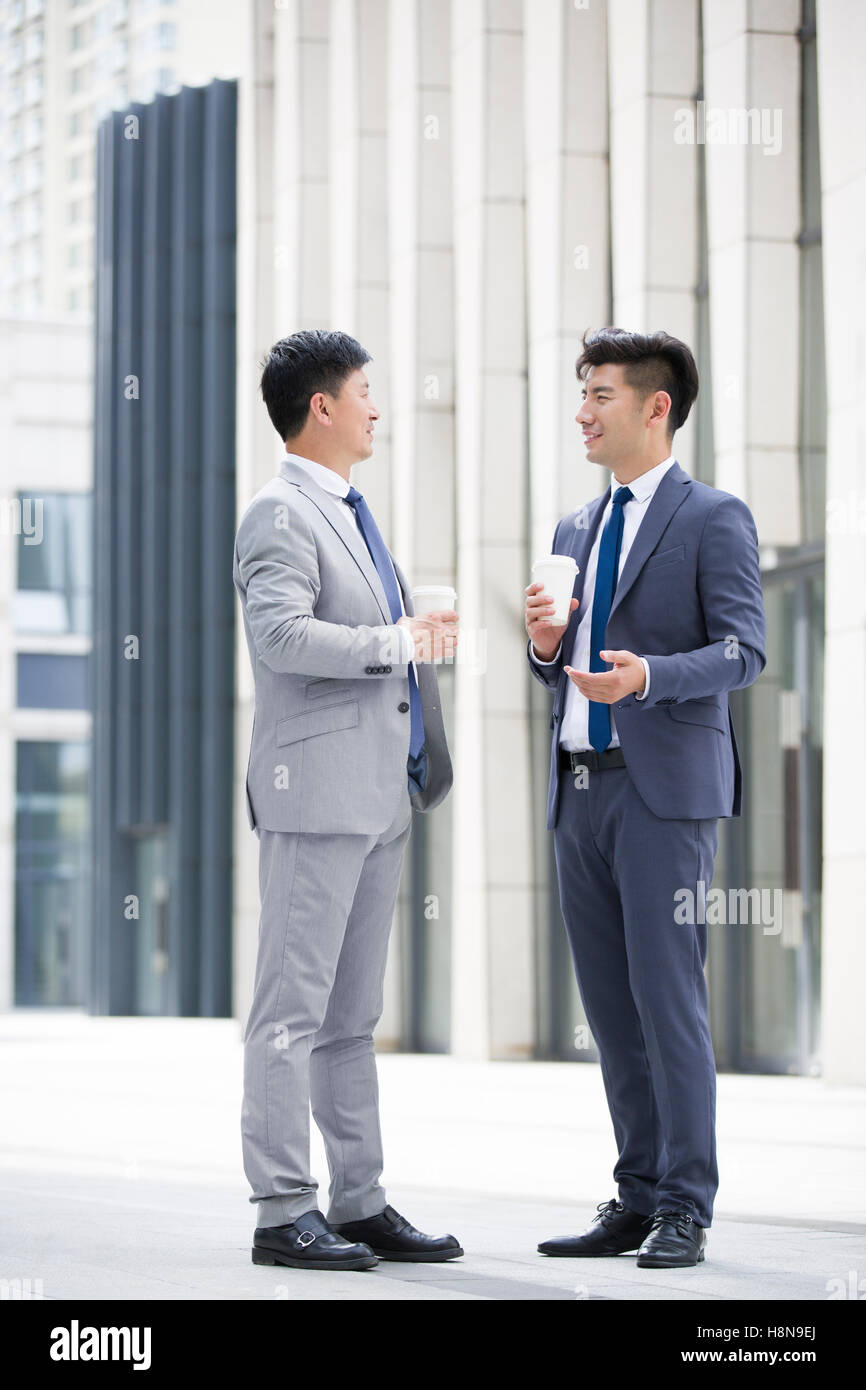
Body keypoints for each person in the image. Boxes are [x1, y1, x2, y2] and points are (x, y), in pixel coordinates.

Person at [525, 327, 766, 1268]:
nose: (582, 412)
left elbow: (745, 651)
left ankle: (685, 1205)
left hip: (664, 796)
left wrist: (651, 677)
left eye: (600, 395)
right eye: (581, 393)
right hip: (580, 792)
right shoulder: (573, 529)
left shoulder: (714, 518)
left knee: (669, 1003)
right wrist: (549, 646)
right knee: (610, 1011)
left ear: (655, 407)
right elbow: (558, 667)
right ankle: (634, 1192)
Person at [234, 329, 463, 1271]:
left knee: (350, 1019)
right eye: (364, 390)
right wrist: (395, 640)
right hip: (312, 796)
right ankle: (282, 1210)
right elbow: (281, 636)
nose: (377, 406)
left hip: (377, 799)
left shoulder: (354, 512)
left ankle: (358, 1200)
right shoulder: (278, 513)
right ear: (320, 406)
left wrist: (412, 650)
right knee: (289, 1013)